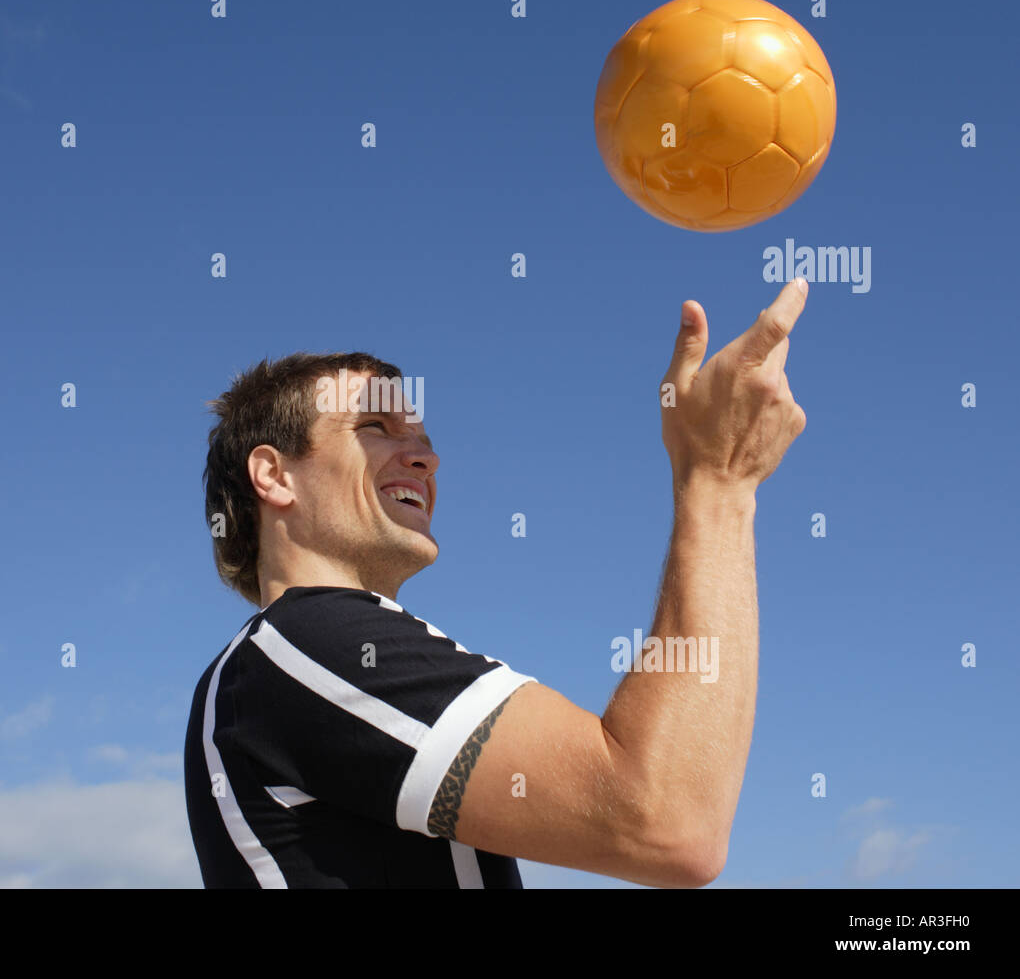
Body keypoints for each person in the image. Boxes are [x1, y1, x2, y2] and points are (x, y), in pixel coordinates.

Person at [183, 278, 809, 888]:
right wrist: (719, 483)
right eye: (374, 427)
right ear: (273, 474)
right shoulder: (305, 643)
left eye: (422, 440)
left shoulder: (283, 662)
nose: (424, 457)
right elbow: (667, 818)